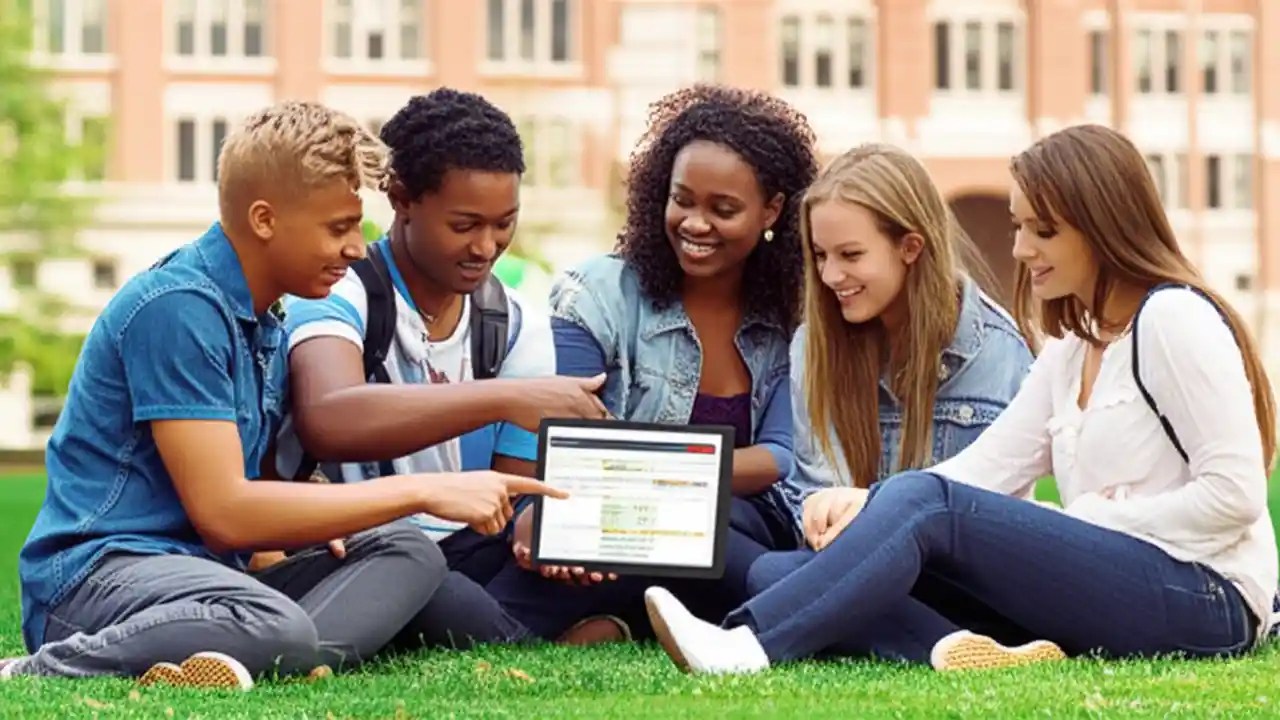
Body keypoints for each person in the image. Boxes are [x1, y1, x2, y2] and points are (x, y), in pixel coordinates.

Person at [643, 123, 1277, 674]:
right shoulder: (1069, 348)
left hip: (1209, 599)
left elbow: (1236, 494)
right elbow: (983, 472)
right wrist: (871, 511)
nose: (1022, 251)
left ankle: (746, 646)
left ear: (1103, 226)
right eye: (1019, 227)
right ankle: (954, 648)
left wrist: (1088, 524)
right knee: (815, 569)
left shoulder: (1173, 319)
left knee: (912, 508)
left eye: (1042, 232)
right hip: (1112, 588)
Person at [2, 101, 560, 688]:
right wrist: (425, 488)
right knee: (274, 624)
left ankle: (257, 662)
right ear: (265, 219)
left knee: (407, 550)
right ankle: (36, 669)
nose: (354, 249)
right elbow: (225, 514)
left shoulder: (265, 322)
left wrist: (326, 520)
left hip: (208, 580)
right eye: (338, 228)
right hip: (102, 576)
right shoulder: (177, 308)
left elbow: (262, 499)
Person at [270, 88, 620, 648]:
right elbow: (327, 418)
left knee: (619, 565)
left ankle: (512, 621)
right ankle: (529, 641)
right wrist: (504, 398)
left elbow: (508, 499)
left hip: (458, 545)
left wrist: (535, 529)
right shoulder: (340, 291)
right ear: (402, 198)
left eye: (504, 223)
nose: (486, 246)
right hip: (348, 543)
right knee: (435, 588)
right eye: (464, 225)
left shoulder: (511, 319)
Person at [485, 84, 820, 640]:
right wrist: (550, 515)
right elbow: (564, 437)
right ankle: (646, 619)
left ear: (774, 209)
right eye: (682, 199)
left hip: (725, 526)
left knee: (708, 523)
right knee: (498, 614)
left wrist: (653, 491)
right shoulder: (599, 293)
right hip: (604, 526)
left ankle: (635, 618)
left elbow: (780, 458)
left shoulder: (787, 316)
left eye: (724, 209)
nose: (694, 223)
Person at [750, 144, 1033, 600]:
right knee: (765, 568)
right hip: (851, 562)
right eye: (821, 255)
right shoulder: (813, 345)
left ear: (910, 247)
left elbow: (999, 517)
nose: (830, 276)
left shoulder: (1002, 353)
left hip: (959, 578)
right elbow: (812, 490)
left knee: (777, 581)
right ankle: (945, 643)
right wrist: (822, 519)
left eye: (851, 255)